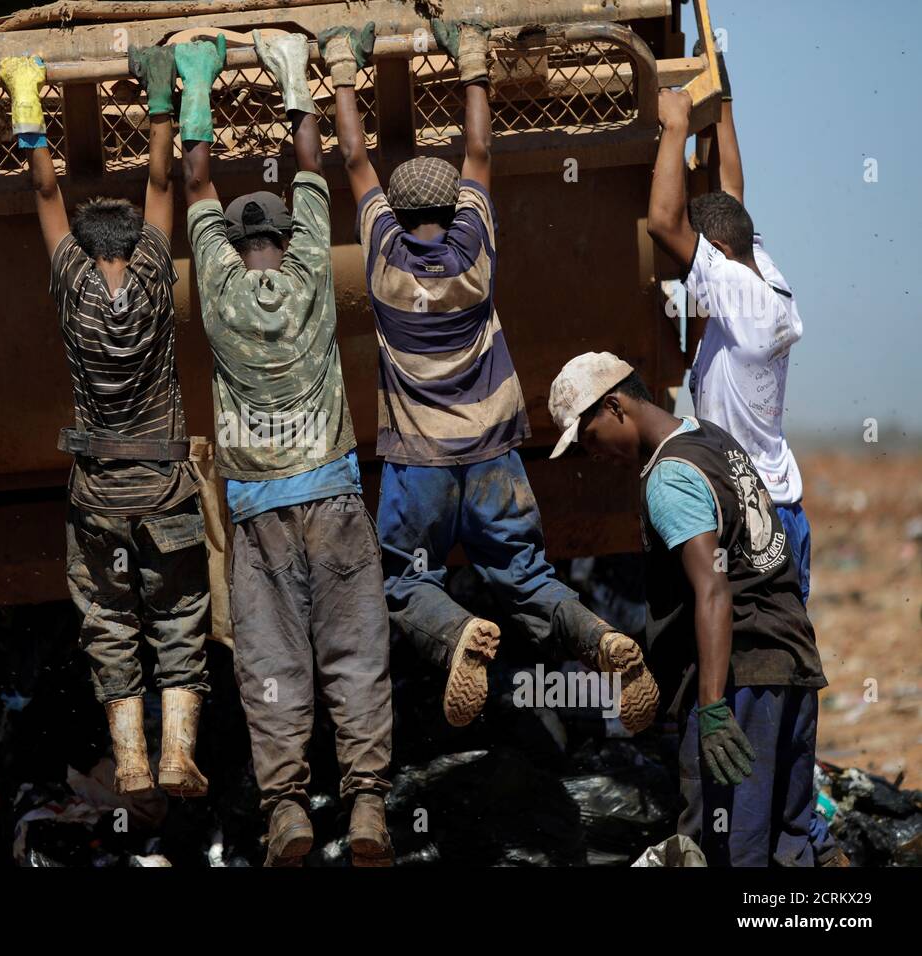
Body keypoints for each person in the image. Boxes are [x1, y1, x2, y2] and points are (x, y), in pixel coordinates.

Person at [323, 19, 658, 730]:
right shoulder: (476, 252)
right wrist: (472, 61)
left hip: (421, 468)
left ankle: (456, 638)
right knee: (526, 574)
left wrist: (339, 68)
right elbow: (479, 150)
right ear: (451, 210)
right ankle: (598, 637)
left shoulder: (382, 262)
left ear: (397, 214)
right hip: (495, 458)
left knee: (408, 579)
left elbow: (353, 157)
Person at [177, 31, 394, 866]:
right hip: (335, 499)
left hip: (259, 516)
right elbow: (314, 162)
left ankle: (288, 814)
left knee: (272, 668)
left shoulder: (223, 292)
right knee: (355, 653)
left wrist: (192, 82)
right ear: (289, 235)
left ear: (233, 246)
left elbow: (196, 177)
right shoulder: (311, 273)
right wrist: (294, 77)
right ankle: (369, 807)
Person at [1, 51, 210, 797]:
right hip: (165, 490)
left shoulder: (71, 290)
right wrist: (166, 94)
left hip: (98, 497)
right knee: (179, 619)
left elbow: (47, 191)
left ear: (87, 255)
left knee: (111, 622)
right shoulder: (156, 278)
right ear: (136, 249)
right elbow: (161, 182)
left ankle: (129, 761)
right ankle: (180, 754)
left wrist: (28, 103)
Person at [547, 352, 827, 866]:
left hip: (740, 680)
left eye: (589, 439)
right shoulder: (710, 438)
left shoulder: (668, 478)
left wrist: (715, 707)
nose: (593, 456)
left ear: (615, 406)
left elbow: (714, 591)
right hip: (792, 661)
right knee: (789, 844)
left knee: (729, 849)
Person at [647, 69, 810, 605]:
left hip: (752, 508)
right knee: (788, 646)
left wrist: (675, 128)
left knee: (753, 653)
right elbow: (731, 192)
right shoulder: (764, 273)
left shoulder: (739, 295)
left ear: (717, 247)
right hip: (785, 505)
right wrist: (724, 101)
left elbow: (664, 226)